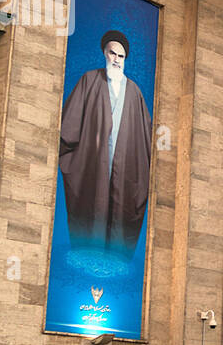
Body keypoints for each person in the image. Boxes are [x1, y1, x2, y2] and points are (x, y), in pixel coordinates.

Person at [59, 29, 153, 256]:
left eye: (121, 56)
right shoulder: (89, 81)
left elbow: (146, 144)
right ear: (104, 53)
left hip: (123, 175)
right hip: (94, 171)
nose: (116, 60)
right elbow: (67, 129)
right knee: (93, 215)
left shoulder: (135, 93)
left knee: (119, 222)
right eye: (113, 54)